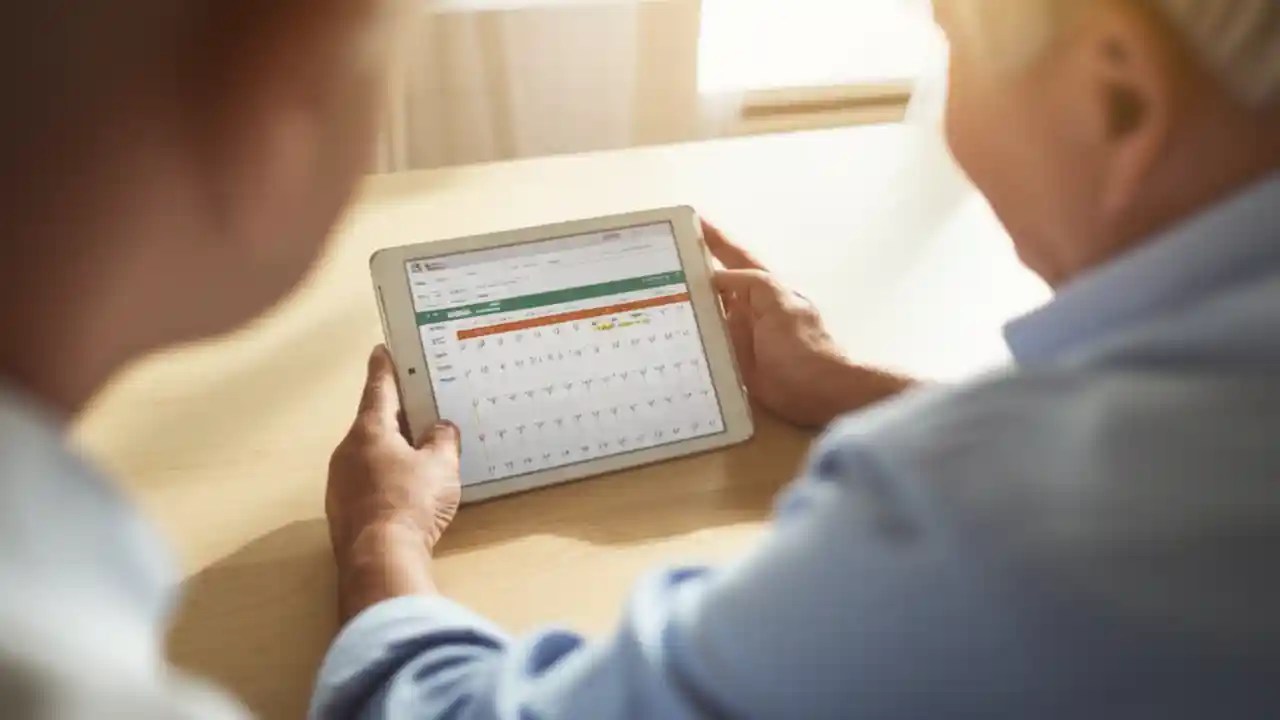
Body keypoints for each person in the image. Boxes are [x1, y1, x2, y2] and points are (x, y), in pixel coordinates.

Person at [0, 0, 1274, 718]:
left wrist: (380, 547)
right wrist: (847, 389)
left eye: (947, 34)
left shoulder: (997, 535)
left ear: (1116, 95)